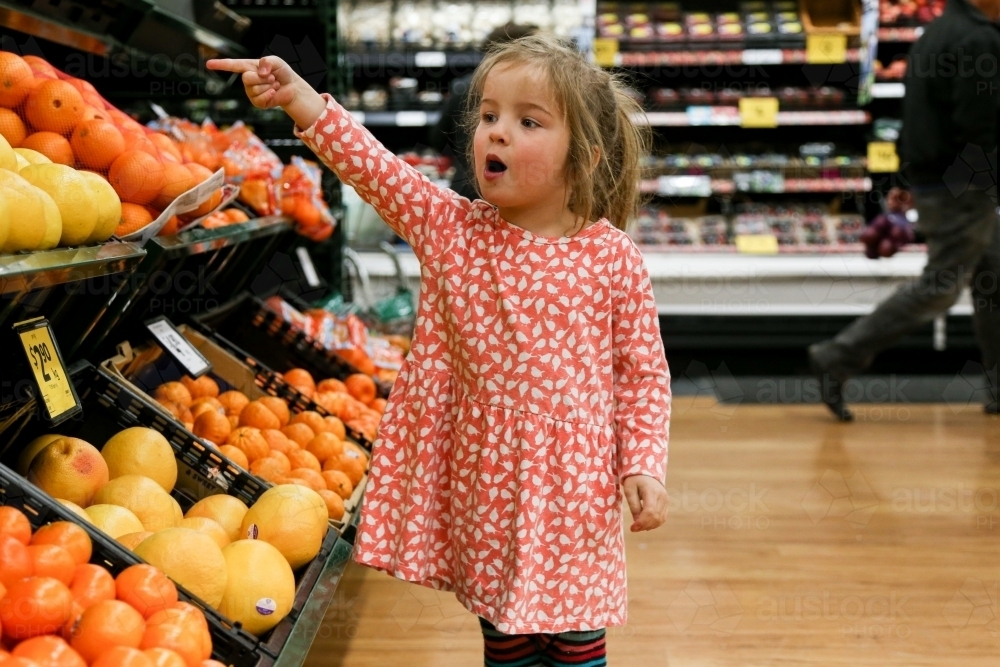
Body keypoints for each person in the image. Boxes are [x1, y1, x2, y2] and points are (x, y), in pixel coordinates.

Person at [209, 33, 671, 665]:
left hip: (573, 490)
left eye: (527, 121)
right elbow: (374, 168)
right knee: (502, 632)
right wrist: (299, 101)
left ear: (585, 158)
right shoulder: (452, 228)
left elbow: (641, 374)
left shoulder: (612, 258)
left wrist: (641, 463)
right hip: (485, 483)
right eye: (488, 116)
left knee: (577, 636)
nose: (496, 134)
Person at [809, 0, 1000, 420]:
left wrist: (905, 178)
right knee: (940, 287)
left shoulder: (934, 33)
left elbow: (915, 114)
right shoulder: (978, 39)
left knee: (993, 281)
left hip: (940, 179)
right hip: (964, 188)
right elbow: (979, 125)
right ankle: (837, 356)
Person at [430, 23, 537, 200]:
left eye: (527, 123)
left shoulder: (465, 86)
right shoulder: (536, 91)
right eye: (488, 117)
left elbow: (437, 139)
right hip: (516, 195)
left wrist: (462, 157)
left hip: (466, 191)